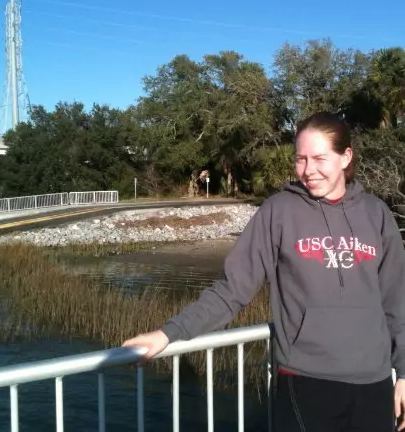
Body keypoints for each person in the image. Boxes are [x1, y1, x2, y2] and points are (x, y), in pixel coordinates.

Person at [123, 112, 405, 432]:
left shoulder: (375, 213)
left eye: (319, 158)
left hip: (375, 382)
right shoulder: (279, 211)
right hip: (305, 381)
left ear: (345, 157)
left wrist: (404, 373)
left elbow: (396, 299)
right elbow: (233, 290)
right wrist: (167, 334)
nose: (308, 170)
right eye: (300, 159)